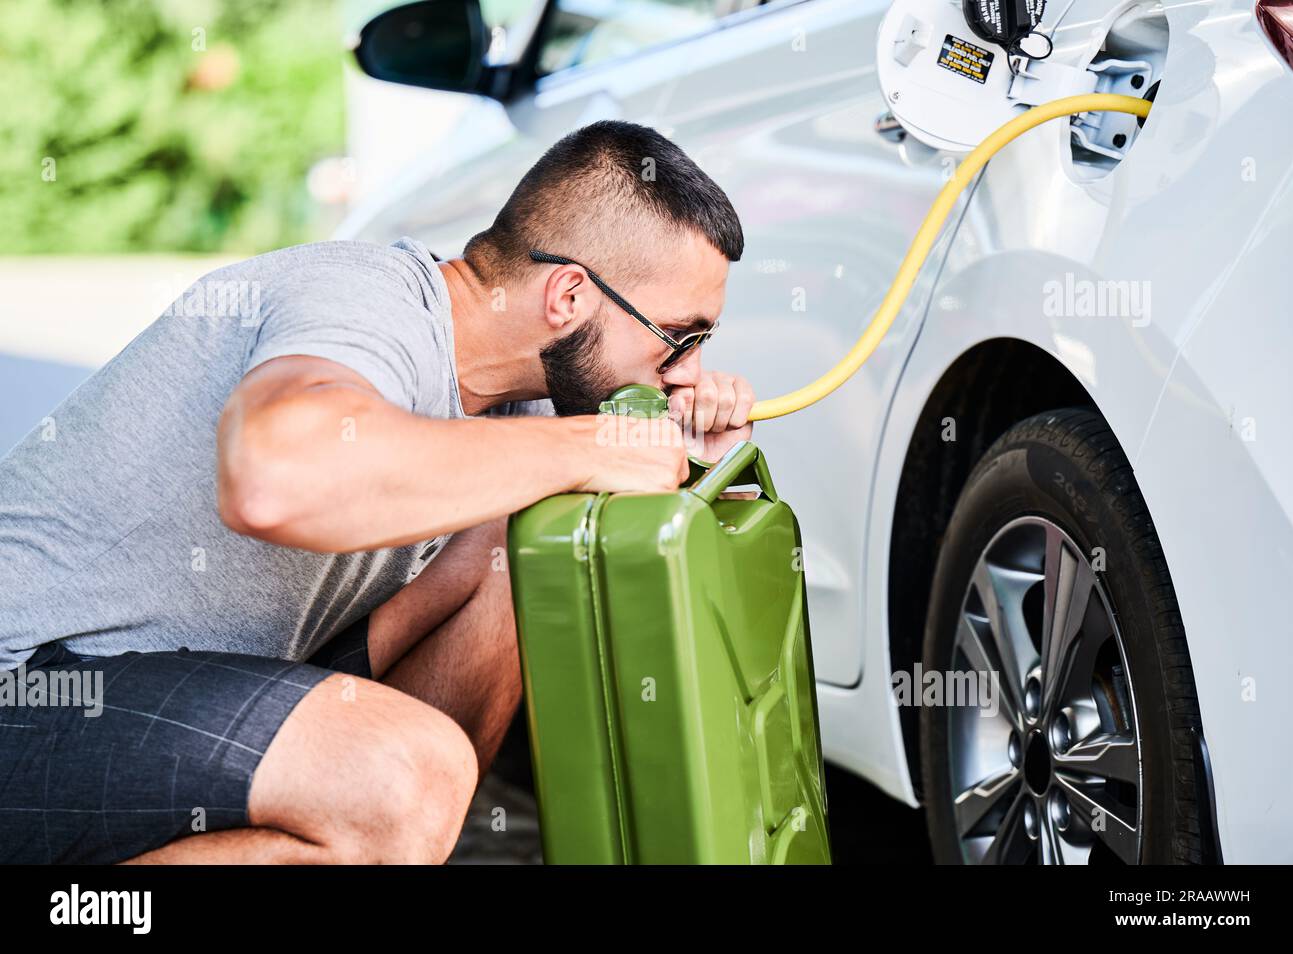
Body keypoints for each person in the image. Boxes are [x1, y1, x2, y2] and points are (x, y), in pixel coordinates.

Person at [0, 119, 755, 863]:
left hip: (191, 685)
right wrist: (595, 444)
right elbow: (273, 479)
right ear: (567, 297)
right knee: (403, 775)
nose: (687, 370)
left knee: (523, 543)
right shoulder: (365, 302)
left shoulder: (525, 402)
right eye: (680, 338)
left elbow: (604, 525)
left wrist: (691, 472)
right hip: (33, 692)